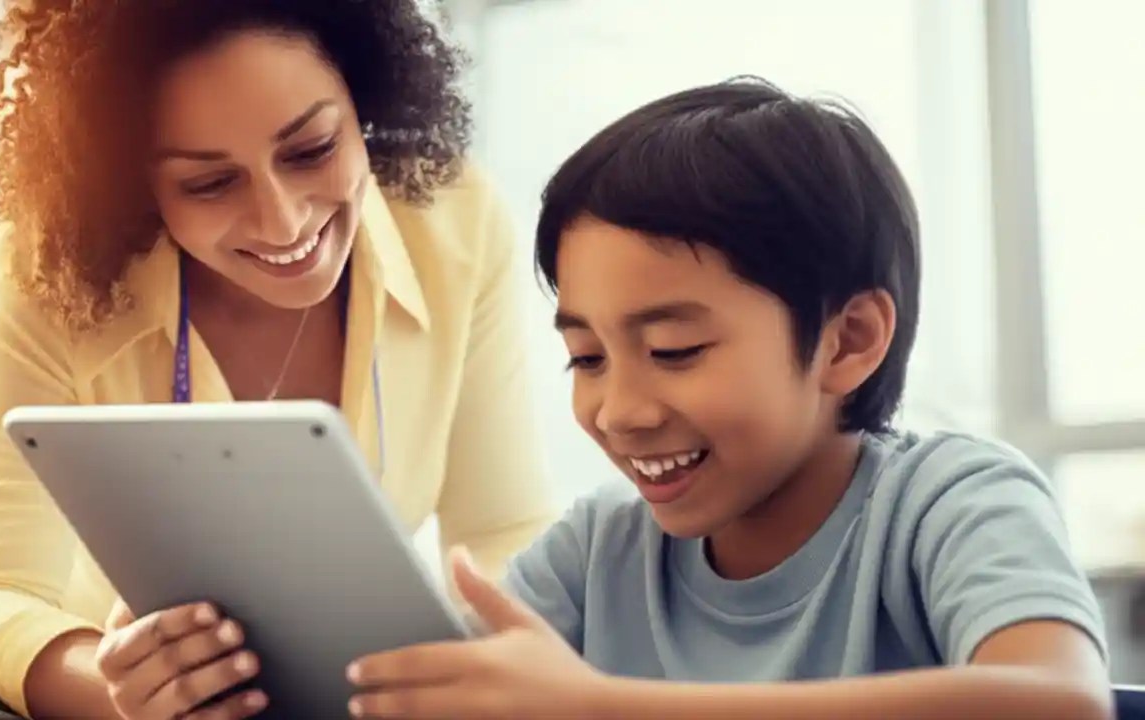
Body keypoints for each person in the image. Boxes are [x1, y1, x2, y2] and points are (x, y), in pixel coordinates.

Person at [344, 78, 1113, 719]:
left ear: (848, 341)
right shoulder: (596, 553)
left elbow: (1060, 703)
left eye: (674, 351)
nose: (620, 411)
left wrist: (600, 708)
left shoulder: (949, 503)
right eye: (586, 357)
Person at [0, 2, 556, 718]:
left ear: (363, 96)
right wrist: (116, 692)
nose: (283, 221)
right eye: (209, 184)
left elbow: (505, 531)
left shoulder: (455, 218)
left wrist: (485, 672)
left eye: (313, 149)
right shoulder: (50, 269)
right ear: (134, 182)